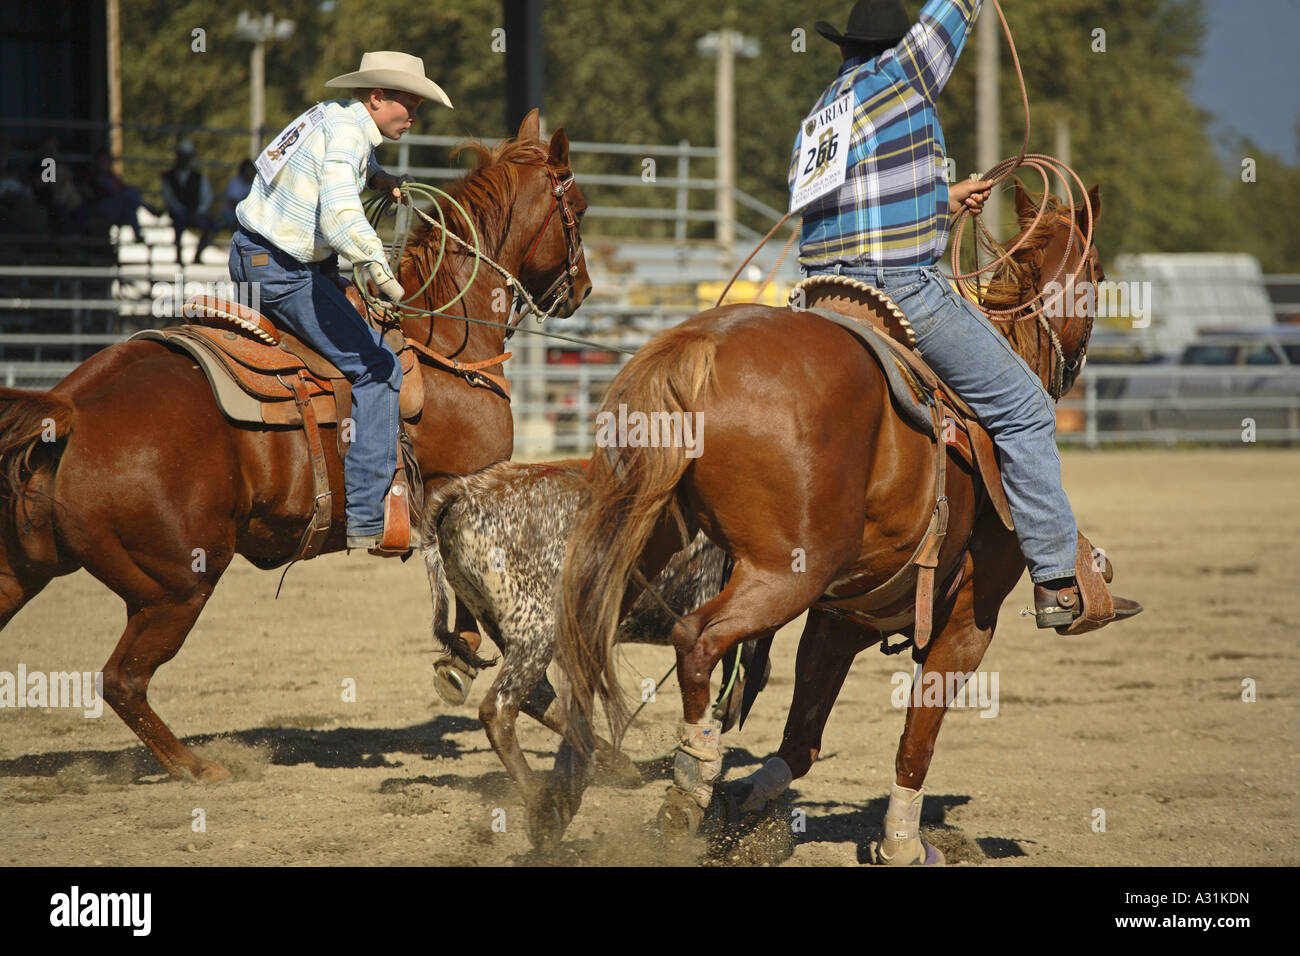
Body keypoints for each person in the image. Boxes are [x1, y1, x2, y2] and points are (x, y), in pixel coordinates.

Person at [792, 0, 1139, 630]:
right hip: (894, 288)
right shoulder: (898, 76)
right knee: (1025, 406)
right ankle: (1059, 580)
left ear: (843, 48)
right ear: (894, 48)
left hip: (819, 291)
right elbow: (948, 17)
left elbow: (861, 200)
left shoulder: (826, 110)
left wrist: (943, 198)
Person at [230, 51, 452, 553]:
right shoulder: (349, 136)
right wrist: (382, 272)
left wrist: (380, 180)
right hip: (286, 270)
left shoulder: (332, 116)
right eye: (407, 104)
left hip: (257, 253)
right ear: (377, 98)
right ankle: (366, 514)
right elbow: (339, 218)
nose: (412, 116)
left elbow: (349, 168)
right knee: (377, 368)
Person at [82, 147, 159, 243]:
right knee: (129, 198)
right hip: (102, 207)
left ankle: (139, 231)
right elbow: (90, 195)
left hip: (119, 207)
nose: (104, 163)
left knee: (131, 199)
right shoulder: (92, 176)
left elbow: (122, 189)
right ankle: (147, 208)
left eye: (106, 160)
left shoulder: (111, 175)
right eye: (102, 160)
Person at [161, 140, 217, 263]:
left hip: (195, 212)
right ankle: (178, 255)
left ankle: (198, 254)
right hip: (179, 213)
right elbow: (170, 199)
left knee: (213, 226)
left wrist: (198, 211)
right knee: (179, 222)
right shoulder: (168, 177)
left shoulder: (199, 177)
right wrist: (183, 210)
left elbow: (206, 197)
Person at [221, 159, 256, 231]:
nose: (250, 173)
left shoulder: (255, 184)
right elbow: (233, 204)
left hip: (249, 216)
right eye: (248, 170)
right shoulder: (235, 182)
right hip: (232, 214)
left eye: (252, 170)